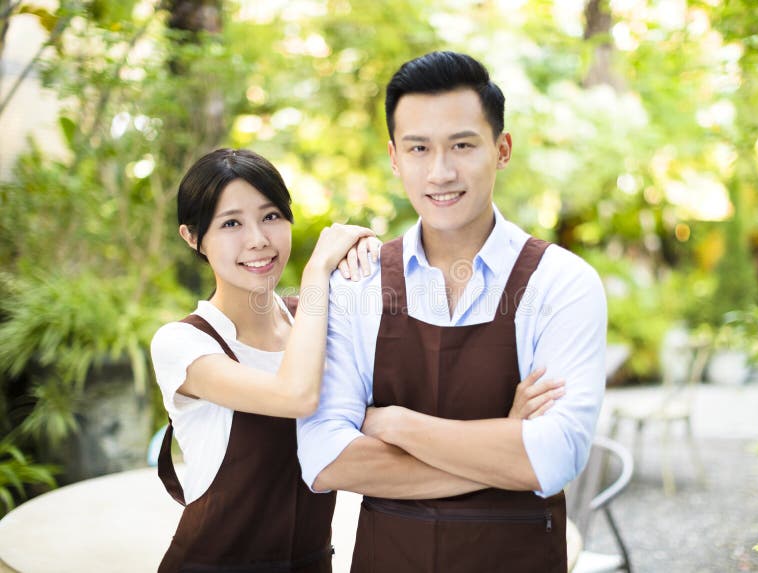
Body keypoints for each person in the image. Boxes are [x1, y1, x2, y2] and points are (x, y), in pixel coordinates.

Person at [297, 51, 607, 573]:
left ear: (501, 149)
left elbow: (553, 458)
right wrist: (504, 444)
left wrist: (392, 423)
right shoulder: (357, 282)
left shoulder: (563, 283)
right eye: (419, 148)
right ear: (395, 158)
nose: (440, 172)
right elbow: (325, 459)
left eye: (462, 145)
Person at [150, 148, 379, 573]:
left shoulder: (313, 322)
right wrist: (317, 273)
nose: (258, 239)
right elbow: (295, 396)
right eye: (231, 223)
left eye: (271, 216)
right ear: (192, 236)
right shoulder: (182, 343)